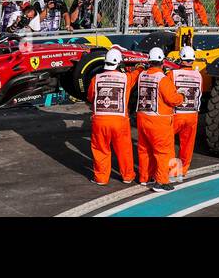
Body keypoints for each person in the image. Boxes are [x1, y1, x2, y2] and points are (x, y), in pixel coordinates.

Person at [135, 47, 184, 192]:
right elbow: (173, 99)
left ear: (149, 61)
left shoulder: (142, 75)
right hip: (159, 121)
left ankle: (144, 178)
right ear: (162, 62)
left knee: (144, 150)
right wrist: (181, 96)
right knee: (163, 152)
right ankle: (161, 182)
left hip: (143, 118)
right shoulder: (162, 79)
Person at [87, 47, 135, 185]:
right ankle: (128, 176)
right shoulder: (126, 78)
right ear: (119, 63)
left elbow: (91, 97)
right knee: (124, 150)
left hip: (99, 121)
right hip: (119, 121)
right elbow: (137, 74)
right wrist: (137, 67)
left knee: (101, 150)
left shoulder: (95, 79)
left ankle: (101, 178)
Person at [168, 46, 203, 174]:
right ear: (193, 59)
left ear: (180, 58)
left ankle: (171, 168)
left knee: (168, 142)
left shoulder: (172, 74)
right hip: (192, 114)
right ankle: (182, 170)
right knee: (187, 145)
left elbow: (168, 94)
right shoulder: (198, 76)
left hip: (176, 114)